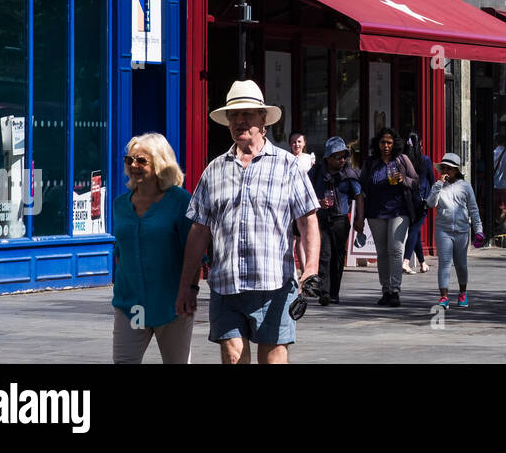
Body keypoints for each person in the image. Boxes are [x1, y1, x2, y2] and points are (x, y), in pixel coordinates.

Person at [177, 80, 319, 365]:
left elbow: (308, 221)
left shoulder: (287, 165)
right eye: (233, 115)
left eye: (248, 114)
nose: (240, 120)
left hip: (274, 286)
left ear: (263, 120)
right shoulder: (214, 170)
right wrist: (186, 285)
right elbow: (199, 231)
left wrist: (311, 268)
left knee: (273, 360)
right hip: (226, 286)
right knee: (233, 357)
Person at [112, 132, 193, 364]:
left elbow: (193, 252)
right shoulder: (120, 204)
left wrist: (190, 289)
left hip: (172, 305)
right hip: (132, 305)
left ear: (160, 163)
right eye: (130, 160)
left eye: (141, 161)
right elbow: (121, 252)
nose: (134, 166)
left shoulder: (180, 201)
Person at [356, 128, 419, 306]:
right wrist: (360, 216)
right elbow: (361, 188)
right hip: (375, 212)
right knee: (382, 253)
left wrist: (404, 179)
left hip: (399, 211)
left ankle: (395, 290)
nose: (385, 146)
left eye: (389, 143)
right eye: (383, 142)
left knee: (396, 249)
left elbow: (416, 181)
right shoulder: (371, 163)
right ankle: (386, 290)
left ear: (395, 144)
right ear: (378, 143)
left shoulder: (402, 160)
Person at [309, 137, 363, 306]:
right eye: (338, 157)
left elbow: (359, 196)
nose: (342, 160)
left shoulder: (349, 174)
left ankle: (334, 292)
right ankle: (324, 292)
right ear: (328, 157)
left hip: (340, 220)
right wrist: (317, 202)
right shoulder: (316, 173)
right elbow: (304, 192)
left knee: (338, 257)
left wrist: (359, 218)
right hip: (321, 219)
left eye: (344, 157)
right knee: (324, 255)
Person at [427, 153, 484, 309]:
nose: (445, 171)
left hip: (462, 230)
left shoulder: (465, 186)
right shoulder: (438, 185)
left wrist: (478, 229)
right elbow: (431, 204)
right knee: (444, 263)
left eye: (448, 168)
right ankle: (444, 297)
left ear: (456, 170)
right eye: (443, 168)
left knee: (461, 264)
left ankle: (462, 293)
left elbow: (473, 209)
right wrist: (438, 185)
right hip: (443, 230)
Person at [402, 133, 432, 275]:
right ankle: (406, 261)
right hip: (421, 199)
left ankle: (422, 263)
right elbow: (431, 180)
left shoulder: (404, 160)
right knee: (414, 229)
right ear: (420, 144)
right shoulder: (425, 159)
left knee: (416, 231)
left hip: (407, 199)